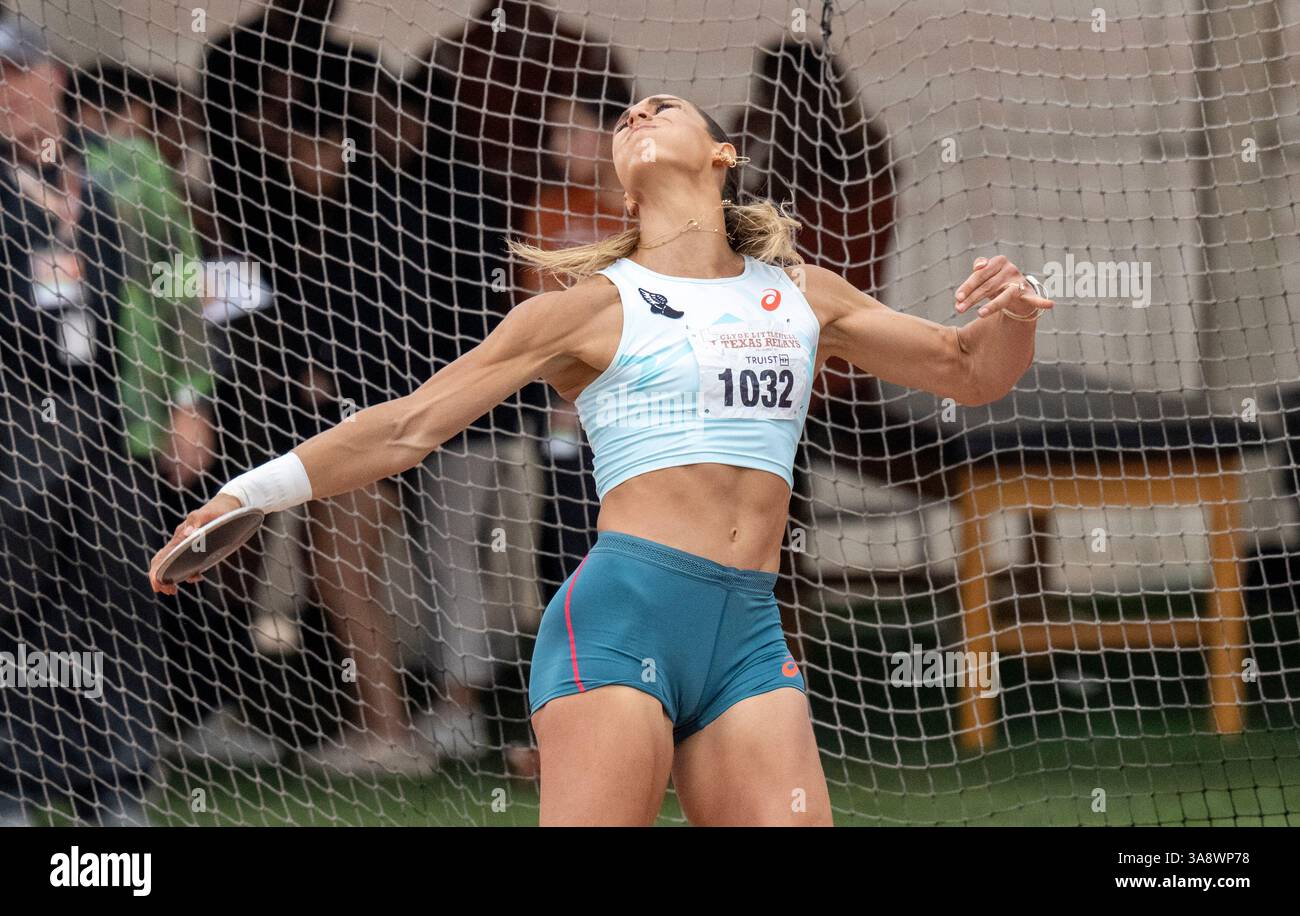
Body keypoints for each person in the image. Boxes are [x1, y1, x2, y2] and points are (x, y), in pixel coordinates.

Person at [149, 93, 1052, 826]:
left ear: (721, 154)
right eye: (624, 121)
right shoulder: (583, 308)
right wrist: (252, 491)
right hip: (622, 619)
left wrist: (1011, 312)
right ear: (621, 189)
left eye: (661, 107)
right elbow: (405, 427)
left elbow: (969, 371)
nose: (636, 118)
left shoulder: (801, 293)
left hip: (747, 633)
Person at [0, 18, 166, 826]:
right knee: (21, 606)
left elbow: (163, 305)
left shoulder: (101, 189)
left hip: (106, 423)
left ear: (53, 79)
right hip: (17, 423)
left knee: (119, 598)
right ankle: (18, 779)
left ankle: (117, 781)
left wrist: (184, 400)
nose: (6, 93)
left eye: (14, 73)